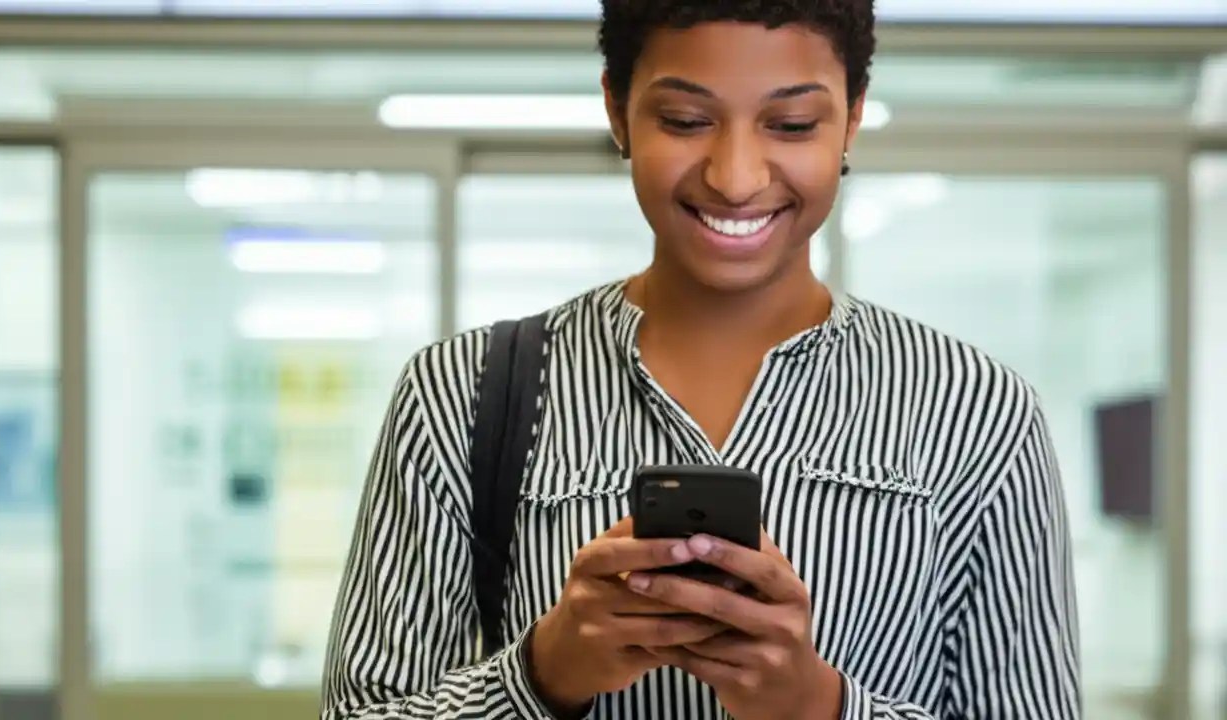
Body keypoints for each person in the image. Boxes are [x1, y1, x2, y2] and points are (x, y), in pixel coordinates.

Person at [321, 1, 1082, 718]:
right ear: (617, 108)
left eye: (791, 123)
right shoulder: (461, 394)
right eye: (686, 120)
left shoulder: (979, 411)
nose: (736, 176)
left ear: (850, 117)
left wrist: (816, 706)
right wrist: (543, 674)